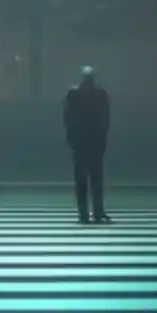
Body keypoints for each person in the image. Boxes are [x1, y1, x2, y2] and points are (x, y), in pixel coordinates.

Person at [63, 65, 111, 223]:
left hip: (86, 141)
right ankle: (92, 211)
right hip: (89, 141)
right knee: (90, 180)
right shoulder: (99, 94)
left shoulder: (75, 94)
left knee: (87, 180)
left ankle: (90, 212)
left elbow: (68, 118)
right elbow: (104, 118)